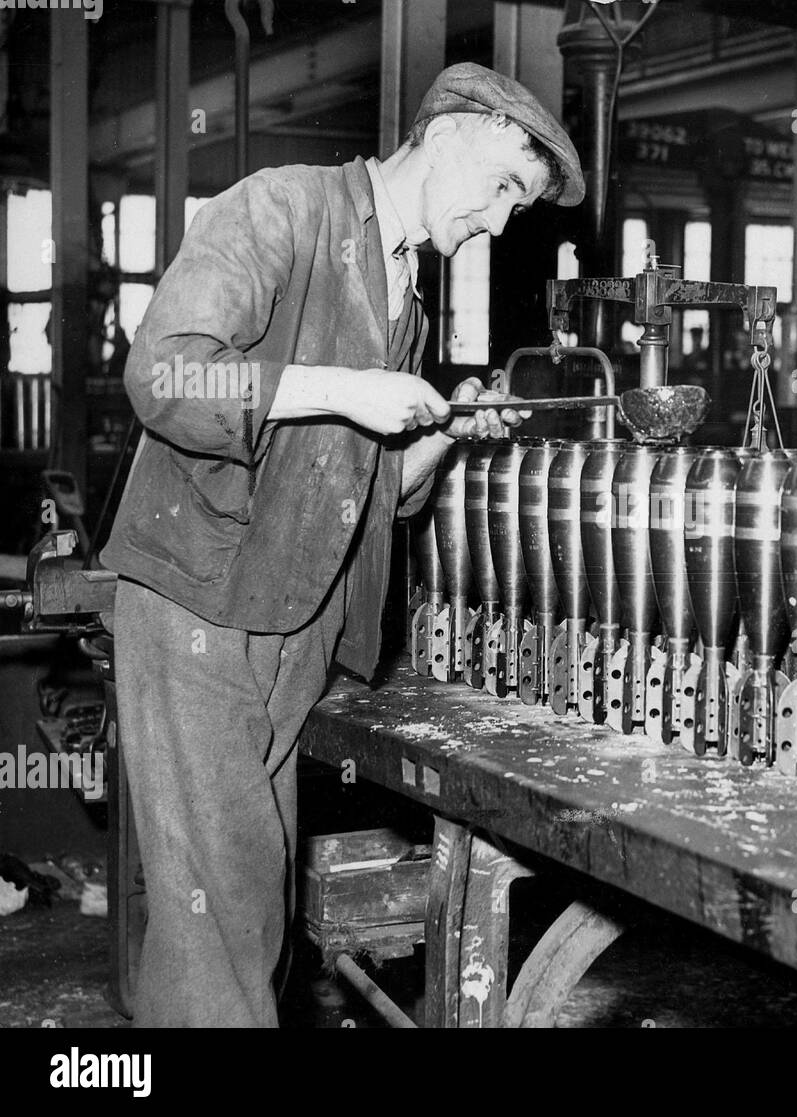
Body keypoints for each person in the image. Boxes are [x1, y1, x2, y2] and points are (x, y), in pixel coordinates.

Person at [100, 63, 585, 1027]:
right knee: (221, 925)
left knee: (251, 911)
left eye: (515, 209)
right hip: (201, 606)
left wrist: (452, 430)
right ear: (449, 133)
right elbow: (163, 377)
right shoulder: (282, 208)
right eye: (500, 189)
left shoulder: (402, 294)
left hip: (292, 632)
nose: (497, 222)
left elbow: (374, 496)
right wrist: (347, 386)